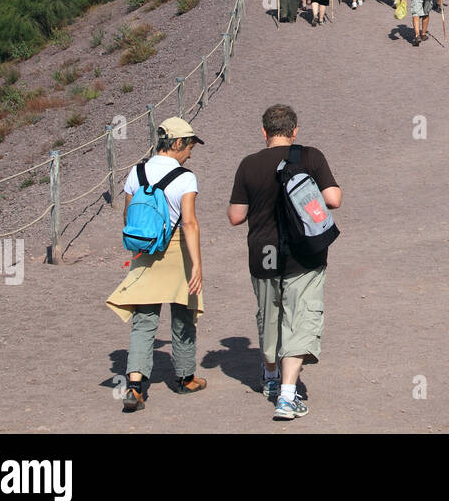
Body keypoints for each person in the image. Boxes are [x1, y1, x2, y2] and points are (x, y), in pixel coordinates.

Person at [228, 105, 341, 420]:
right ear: (295, 131)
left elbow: (235, 217)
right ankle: (288, 397)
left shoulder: (248, 165)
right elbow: (334, 199)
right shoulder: (310, 157)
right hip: (305, 252)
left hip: (263, 252)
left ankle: (271, 377)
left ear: (264, 132)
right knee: (300, 319)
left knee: (270, 315)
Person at [105, 117, 206, 413]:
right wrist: (197, 264)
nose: (190, 152)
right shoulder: (185, 177)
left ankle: (134, 386)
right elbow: (189, 223)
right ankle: (185, 378)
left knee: (143, 321)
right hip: (176, 252)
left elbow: (127, 217)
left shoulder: (135, 173)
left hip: (145, 253)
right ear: (176, 143)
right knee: (183, 317)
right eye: (188, 146)